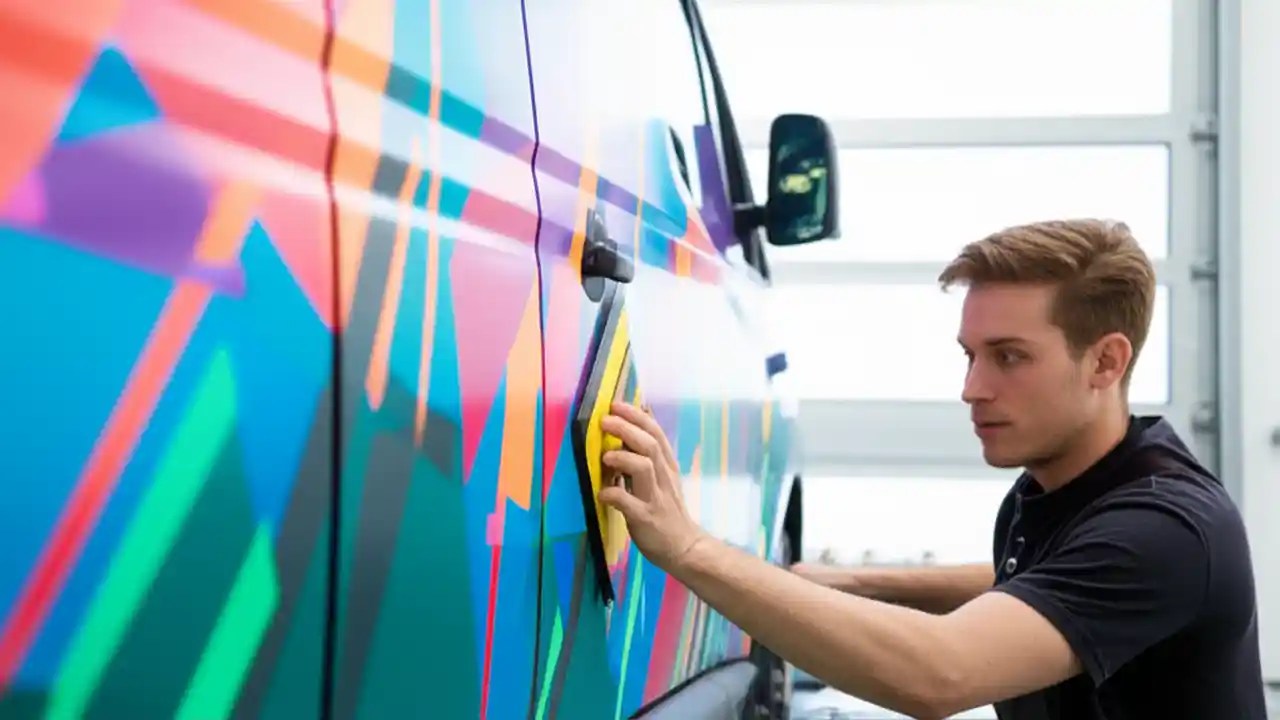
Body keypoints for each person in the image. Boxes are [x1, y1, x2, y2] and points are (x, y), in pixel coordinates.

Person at [598, 219, 1267, 720]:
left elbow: (939, 674)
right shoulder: (1055, 492)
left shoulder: (1166, 530)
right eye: (969, 355)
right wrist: (861, 580)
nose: (972, 388)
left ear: (1106, 361)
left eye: (1009, 357)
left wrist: (688, 547)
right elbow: (1036, 582)